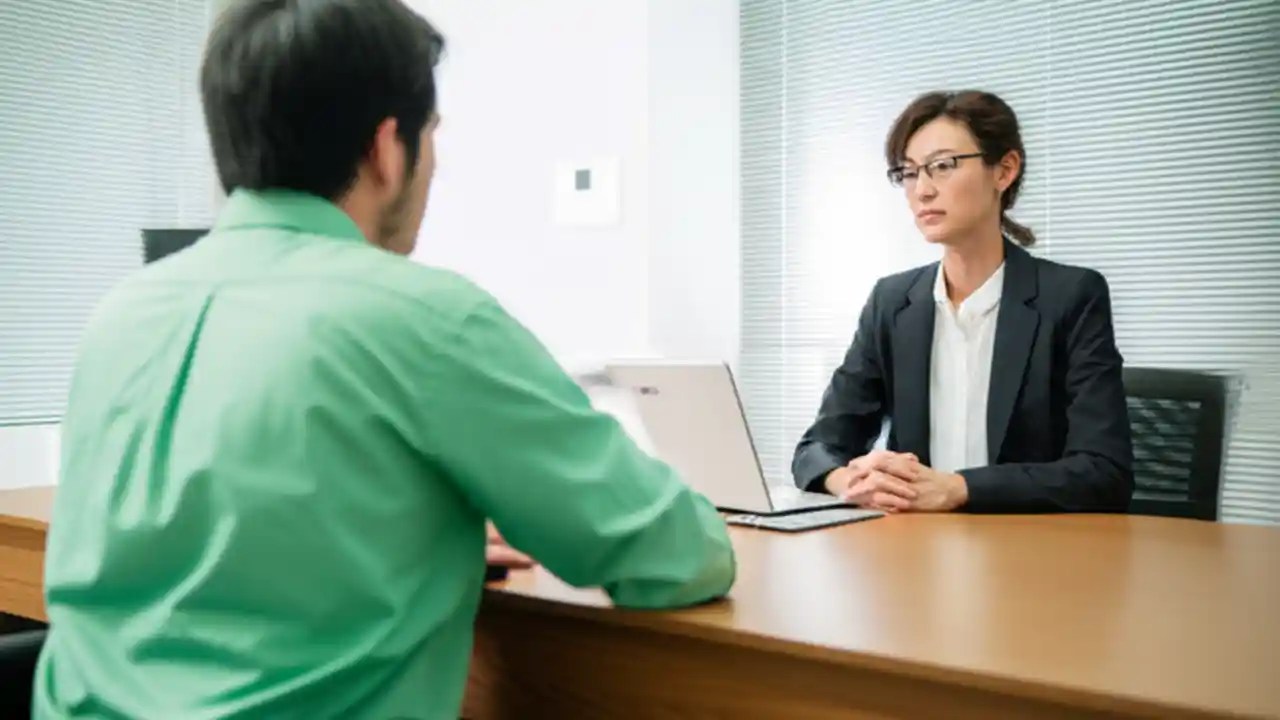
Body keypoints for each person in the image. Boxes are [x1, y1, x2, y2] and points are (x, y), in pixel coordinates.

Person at [34, 1, 734, 717]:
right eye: (433, 136)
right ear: (387, 148)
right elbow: (674, 554)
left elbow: (201, 546)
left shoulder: (121, 314)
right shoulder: (427, 319)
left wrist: (418, 533)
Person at [792, 90, 1133, 514]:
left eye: (943, 166)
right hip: (914, 550)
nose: (923, 190)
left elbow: (1104, 472)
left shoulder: (1071, 297)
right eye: (909, 172)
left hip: (1030, 554)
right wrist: (854, 482)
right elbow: (817, 448)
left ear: (1004, 170)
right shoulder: (892, 303)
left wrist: (959, 488)